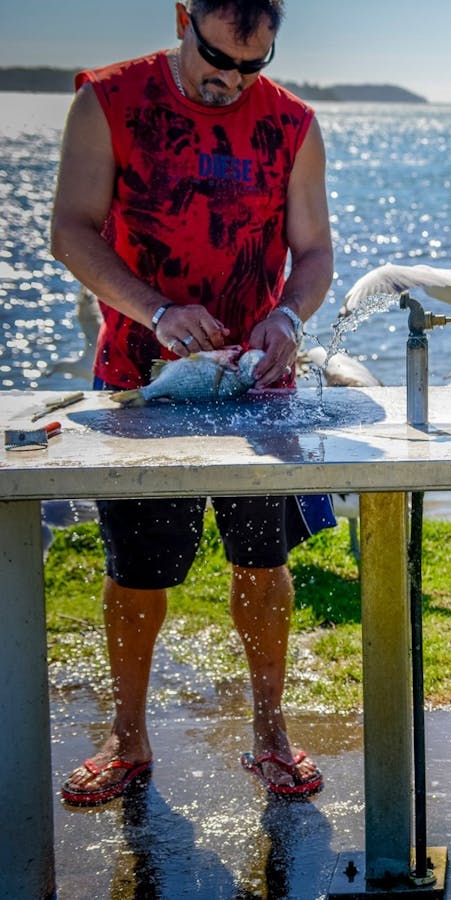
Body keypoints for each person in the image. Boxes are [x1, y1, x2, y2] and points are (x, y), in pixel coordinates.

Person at [49, 0, 333, 804]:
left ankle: (271, 733)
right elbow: (70, 231)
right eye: (216, 58)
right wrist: (158, 311)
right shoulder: (108, 100)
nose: (230, 80)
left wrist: (287, 313)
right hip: (143, 384)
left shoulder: (294, 125)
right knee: (139, 571)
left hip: (255, 384)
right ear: (184, 16)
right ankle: (127, 737)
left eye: (253, 64)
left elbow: (314, 253)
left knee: (263, 561)